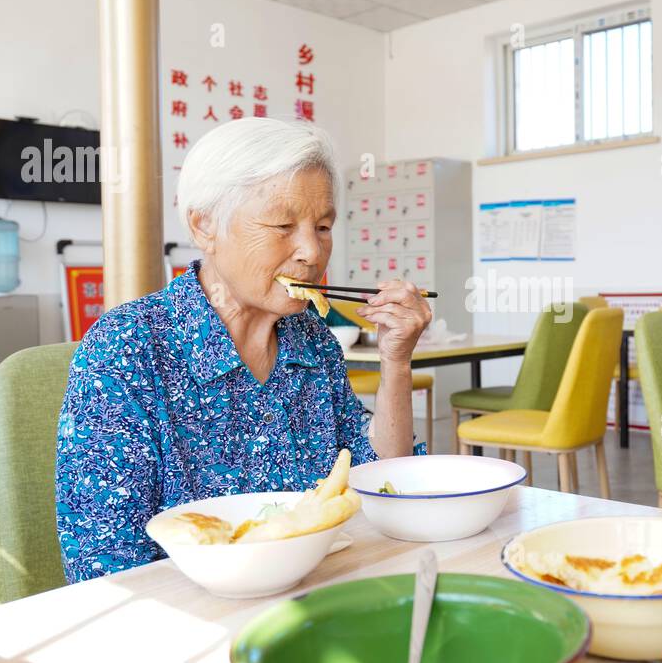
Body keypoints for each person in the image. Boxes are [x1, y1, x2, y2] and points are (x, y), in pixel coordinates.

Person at [56, 119, 431, 582]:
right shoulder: (127, 348)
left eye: (323, 226)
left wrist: (396, 361)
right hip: (190, 622)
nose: (311, 252)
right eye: (281, 225)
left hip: (315, 593)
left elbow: (380, 481)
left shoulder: (309, 337)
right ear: (204, 225)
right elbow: (102, 564)